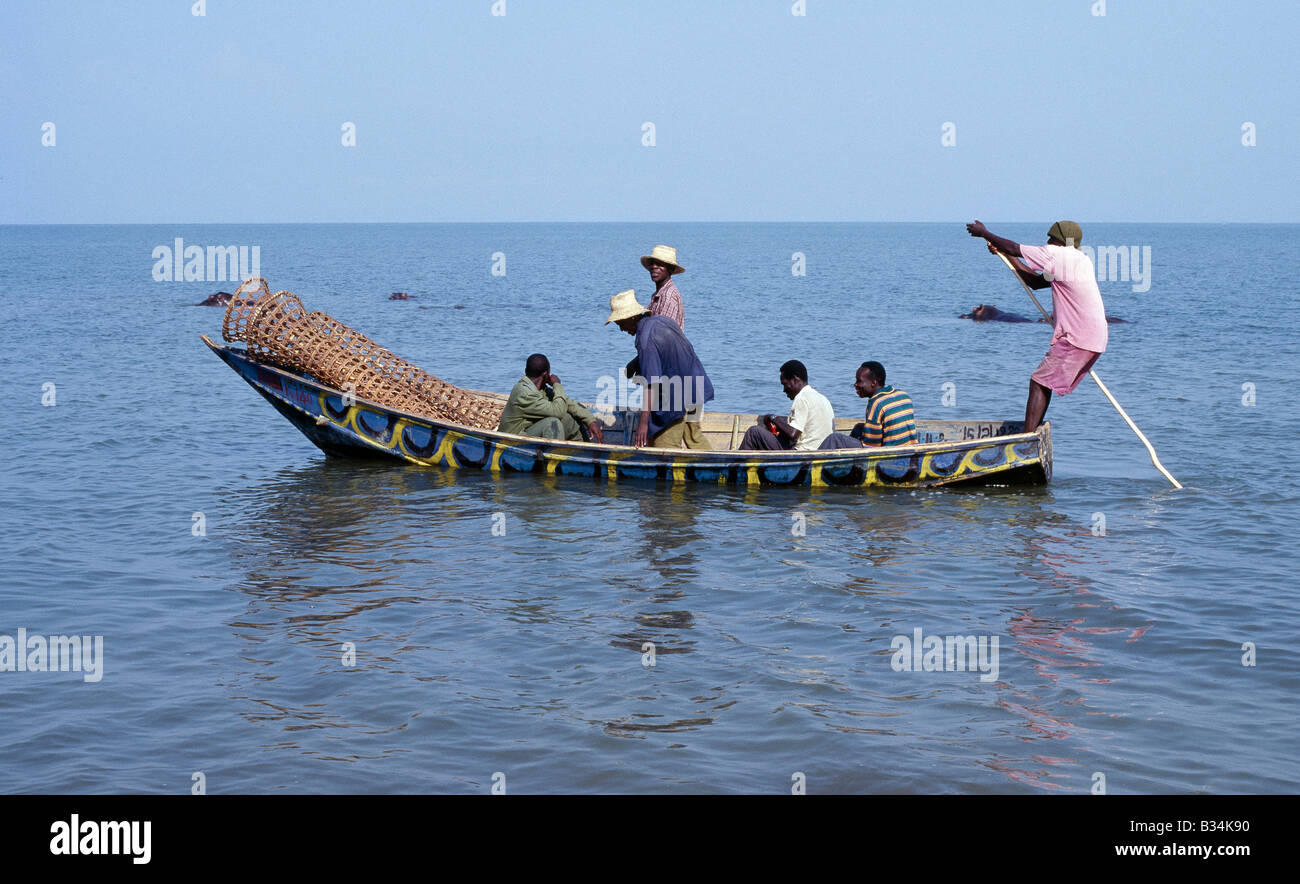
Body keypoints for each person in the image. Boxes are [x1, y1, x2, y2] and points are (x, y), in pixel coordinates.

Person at [965, 219, 1107, 431]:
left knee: (1039, 381)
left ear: (1058, 241)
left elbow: (1014, 246)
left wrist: (984, 233)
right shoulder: (1080, 259)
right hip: (1094, 338)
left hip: (1078, 337)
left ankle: (1027, 439)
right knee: (1043, 381)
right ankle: (1031, 433)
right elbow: (1036, 282)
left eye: (1050, 238)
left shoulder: (1057, 254)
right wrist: (1006, 255)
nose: (1046, 242)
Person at [606, 290, 713, 449]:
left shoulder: (645, 340)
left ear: (633, 317)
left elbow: (651, 384)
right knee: (694, 439)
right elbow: (663, 350)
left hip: (677, 397)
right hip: (695, 387)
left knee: (663, 448)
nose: (621, 329)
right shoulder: (661, 320)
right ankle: (715, 468)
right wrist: (636, 362)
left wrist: (643, 423)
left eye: (621, 323)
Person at [497, 353, 603, 442]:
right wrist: (557, 384)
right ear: (545, 375)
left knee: (568, 419)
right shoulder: (525, 393)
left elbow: (566, 402)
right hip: (512, 439)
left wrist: (590, 421)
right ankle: (555, 460)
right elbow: (558, 411)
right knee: (552, 423)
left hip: (528, 431)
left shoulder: (540, 389)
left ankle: (580, 452)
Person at [739, 360, 834, 451]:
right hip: (823, 451)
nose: (784, 390)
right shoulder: (824, 399)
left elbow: (793, 434)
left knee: (753, 432)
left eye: (784, 384)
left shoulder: (802, 398)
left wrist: (773, 418)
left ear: (795, 379)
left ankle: (735, 465)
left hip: (803, 452)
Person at [820, 361, 917, 449]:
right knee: (858, 428)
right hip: (910, 448)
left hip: (889, 453)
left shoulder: (876, 403)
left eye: (859, 381)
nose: (855, 384)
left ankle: (809, 465)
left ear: (873, 383)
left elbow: (872, 445)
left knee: (835, 439)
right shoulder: (903, 395)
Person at [640, 244, 686, 330]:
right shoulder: (658, 295)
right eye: (652, 263)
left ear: (670, 269)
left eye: (660, 264)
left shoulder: (668, 295)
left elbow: (661, 331)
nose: (654, 267)